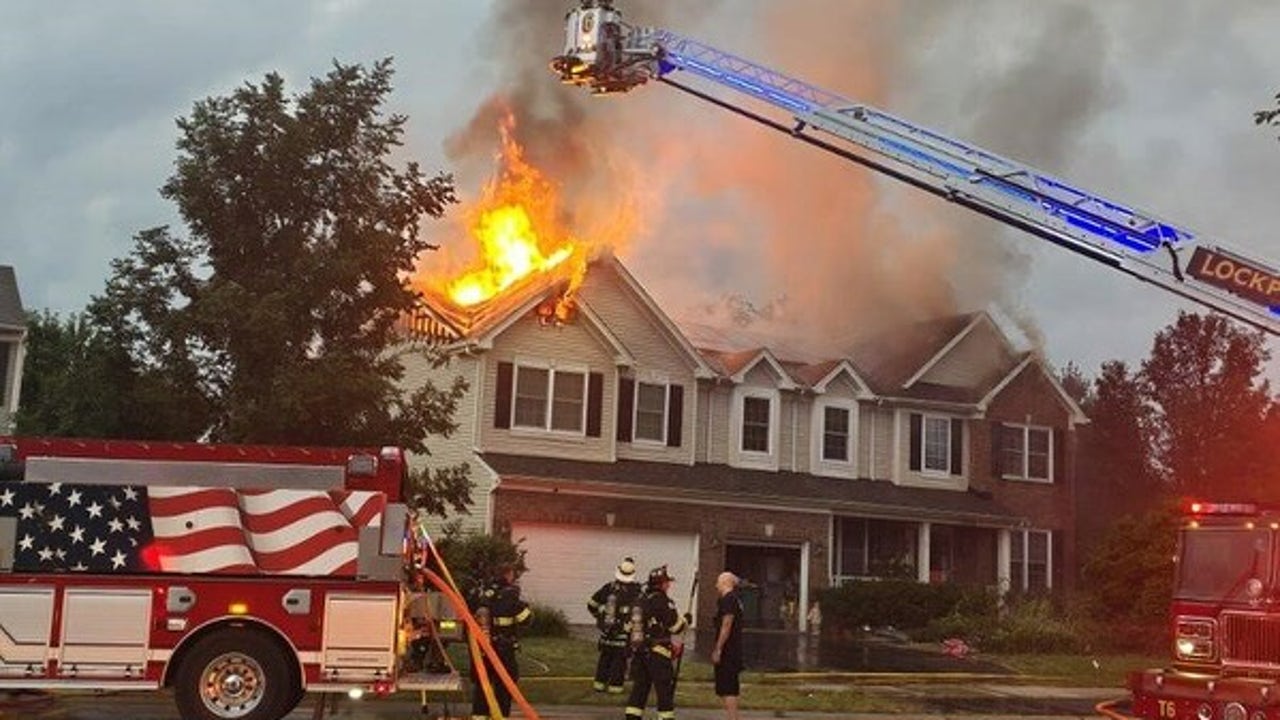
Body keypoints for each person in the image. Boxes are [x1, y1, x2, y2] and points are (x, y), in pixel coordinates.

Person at [625, 565, 690, 720]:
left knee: (639, 689)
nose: (669, 585)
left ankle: (632, 717)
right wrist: (687, 620)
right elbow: (676, 627)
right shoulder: (663, 601)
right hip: (658, 654)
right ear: (661, 584)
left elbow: (628, 626)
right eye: (667, 582)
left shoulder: (639, 600)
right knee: (664, 691)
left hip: (639, 652)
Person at [470, 563, 531, 720]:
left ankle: (479, 716)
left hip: (482, 649)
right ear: (508, 575)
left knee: (483, 684)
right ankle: (500, 717)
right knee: (504, 685)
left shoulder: (484, 592)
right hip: (504, 649)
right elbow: (526, 620)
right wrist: (525, 607)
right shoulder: (510, 594)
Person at [587, 556, 644, 694]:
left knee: (605, 659)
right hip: (623, 635)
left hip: (607, 633)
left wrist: (599, 617)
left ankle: (599, 685)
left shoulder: (608, 587)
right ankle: (615, 687)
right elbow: (640, 611)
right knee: (619, 661)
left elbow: (591, 604)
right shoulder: (636, 591)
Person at [712, 571, 745, 720]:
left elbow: (726, 625)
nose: (716, 585)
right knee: (727, 686)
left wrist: (718, 648)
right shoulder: (735, 600)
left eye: (718, 582)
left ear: (726, 582)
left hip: (728, 650)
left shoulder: (728, 600)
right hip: (734, 649)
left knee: (727, 688)